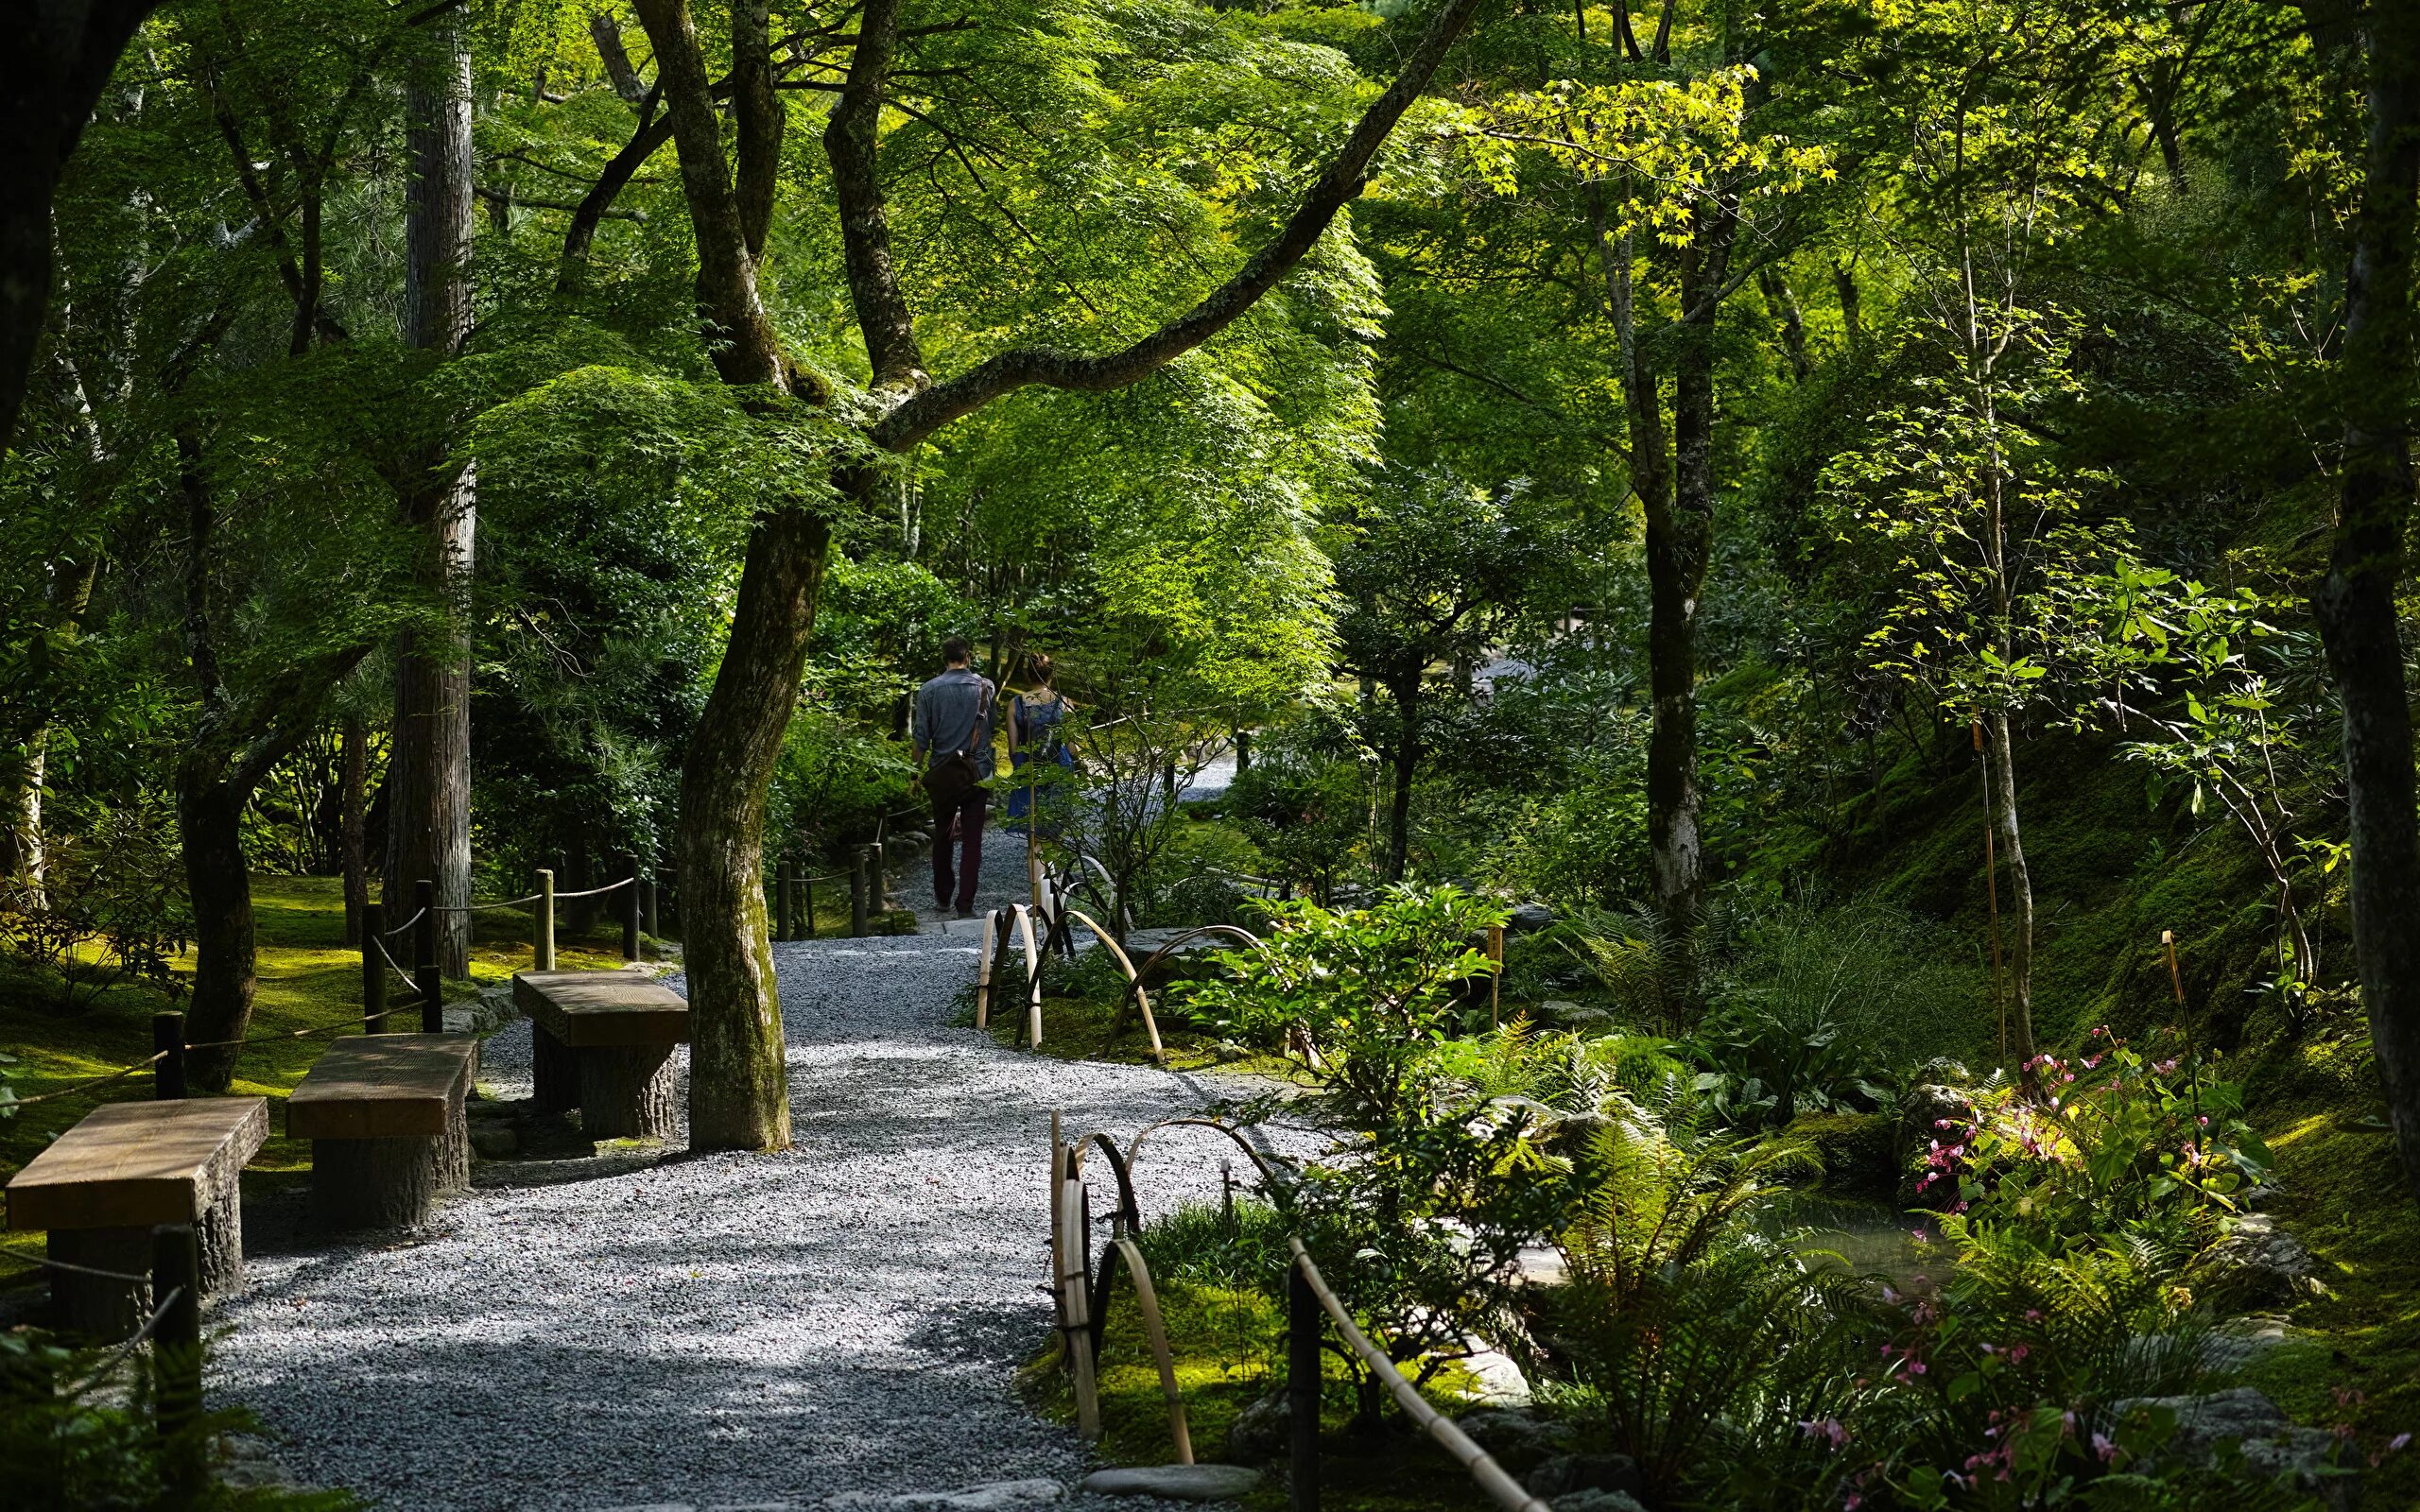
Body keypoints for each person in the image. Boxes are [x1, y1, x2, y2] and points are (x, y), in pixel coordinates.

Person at [910, 637, 997, 918]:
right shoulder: (986, 688)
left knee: (942, 836)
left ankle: (943, 897)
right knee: (973, 841)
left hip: (943, 773)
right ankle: (966, 904)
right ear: (968, 657)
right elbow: (990, 727)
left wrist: (914, 774)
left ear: (943, 658)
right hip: (978, 772)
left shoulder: (928, 690)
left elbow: (921, 736)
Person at [1005, 653, 1075, 834]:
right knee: (1055, 831)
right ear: (1052, 675)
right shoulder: (1065, 703)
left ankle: (1036, 861)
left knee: (1033, 835)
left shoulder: (1016, 704)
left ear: (1028, 675)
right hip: (1059, 768)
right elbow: (1072, 748)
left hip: (1027, 769)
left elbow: (1013, 750)